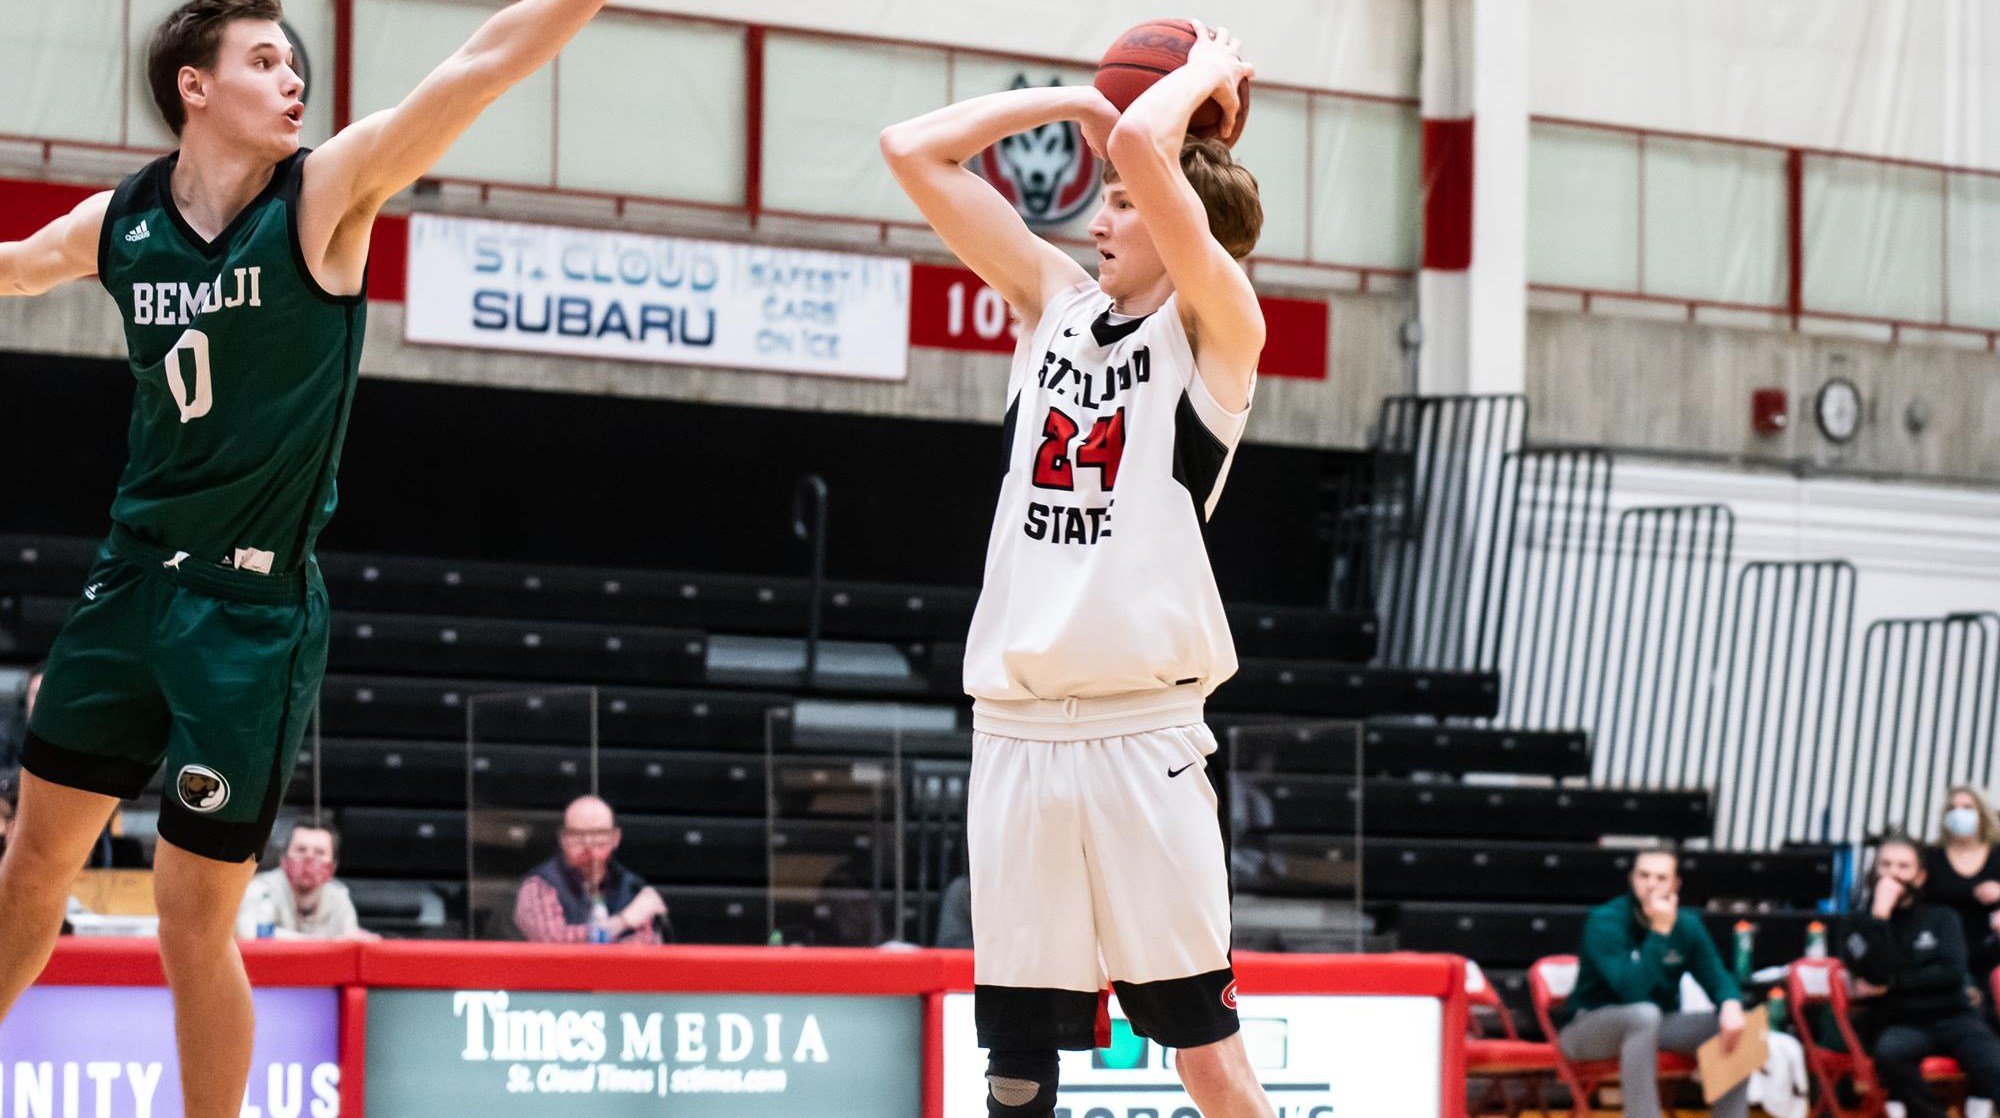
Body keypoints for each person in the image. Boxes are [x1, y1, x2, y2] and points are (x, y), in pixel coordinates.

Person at [0, 2, 606, 1114]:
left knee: (192, 918)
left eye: (295, 62)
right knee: (30, 870)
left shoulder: (324, 195)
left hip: (248, 609)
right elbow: (19, 269)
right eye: (266, 60)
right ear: (194, 85)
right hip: (131, 579)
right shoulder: (120, 221)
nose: (294, 82)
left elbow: (474, 71)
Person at [882, 20, 1271, 1118]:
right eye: (1103, 196)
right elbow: (909, 148)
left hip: (1139, 727)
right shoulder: (1050, 304)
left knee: (1205, 1052)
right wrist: (1071, 98)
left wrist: (1202, 77)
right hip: (1013, 725)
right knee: (1014, 1065)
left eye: (1125, 202)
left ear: (1192, 230)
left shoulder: (1215, 329)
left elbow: (1149, 145)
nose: (1101, 211)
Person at [1557, 848, 1748, 1118]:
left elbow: (1717, 975)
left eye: (1661, 877)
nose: (1651, 884)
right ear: (1631, 878)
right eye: (1643, 875)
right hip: (1587, 1026)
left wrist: (1730, 1003)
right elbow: (1633, 990)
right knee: (1644, 1014)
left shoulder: (1687, 925)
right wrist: (1659, 932)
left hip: (1656, 1023)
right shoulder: (1605, 921)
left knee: (1740, 1026)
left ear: (1675, 884)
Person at [1840, 833, 2000, 1118]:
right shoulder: (1857, 924)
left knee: (1992, 1062)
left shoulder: (1942, 918)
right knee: (1890, 1056)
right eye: (1885, 865)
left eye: (1903, 867)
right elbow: (1877, 974)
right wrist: (1880, 915)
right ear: (1873, 872)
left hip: (1955, 1016)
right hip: (1902, 1021)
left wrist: (1895, 983)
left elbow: (1950, 972)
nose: (1893, 874)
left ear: (1920, 876)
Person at [514, 795, 667, 945]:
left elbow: (647, 945)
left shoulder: (632, 886)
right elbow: (553, 941)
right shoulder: (539, 884)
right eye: (577, 834)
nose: (588, 844)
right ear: (563, 839)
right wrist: (623, 921)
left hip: (619, 971)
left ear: (615, 838)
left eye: (598, 834)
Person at [1923, 786, 2000, 1002]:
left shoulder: (1997, 855)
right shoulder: (1931, 857)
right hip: (1939, 954)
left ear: (1982, 814)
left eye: (1967, 807)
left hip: (1989, 955)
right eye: (1952, 808)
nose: (1959, 813)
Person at [235, 821, 373, 940]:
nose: (309, 858)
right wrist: (326, 944)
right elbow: (250, 934)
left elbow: (350, 944)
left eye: (319, 852)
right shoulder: (261, 889)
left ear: (332, 867)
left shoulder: (338, 898)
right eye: (301, 850)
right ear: (283, 860)